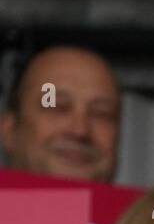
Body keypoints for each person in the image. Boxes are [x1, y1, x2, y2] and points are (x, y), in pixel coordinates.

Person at [0, 45, 121, 184]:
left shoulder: (151, 206)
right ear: (9, 129)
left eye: (102, 113)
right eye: (58, 107)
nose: (80, 130)